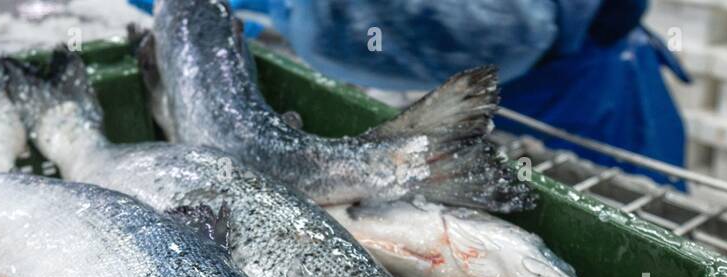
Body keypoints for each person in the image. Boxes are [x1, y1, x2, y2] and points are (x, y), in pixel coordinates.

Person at [132, 0, 687, 183]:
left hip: (578, 104)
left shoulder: (515, 20)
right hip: (511, 80)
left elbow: (492, 26)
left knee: (619, 265)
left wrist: (294, 14)